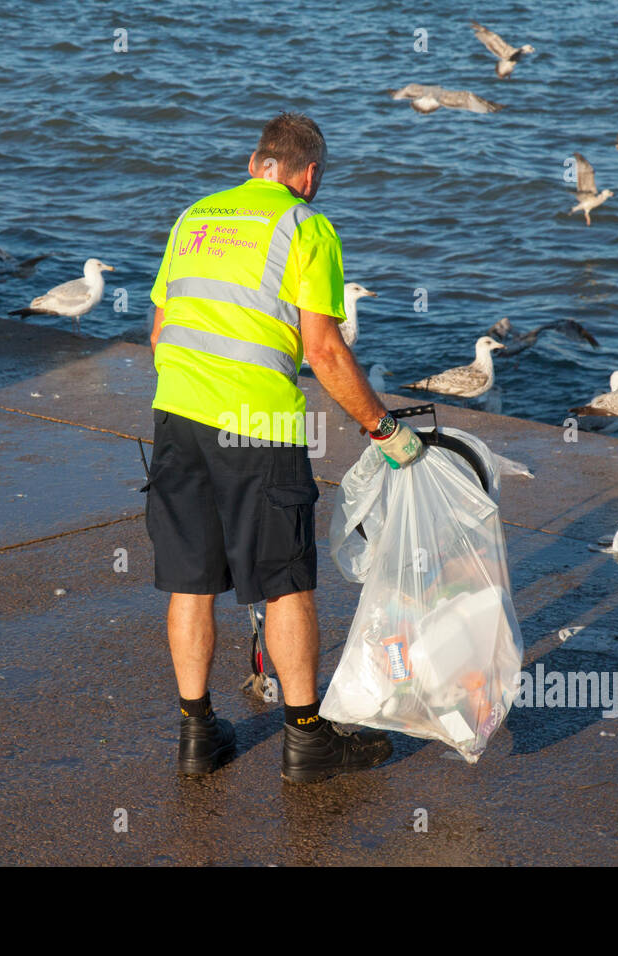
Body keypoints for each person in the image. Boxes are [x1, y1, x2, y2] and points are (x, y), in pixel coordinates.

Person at [147, 112, 423, 784]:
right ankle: (306, 741)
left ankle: (196, 734)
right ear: (310, 175)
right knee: (286, 583)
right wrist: (383, 429)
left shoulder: (193, 219)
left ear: (253, 163)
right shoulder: (307, 226)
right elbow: (324, 350)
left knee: (192, 581)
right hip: (257, 429)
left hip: (177, 418)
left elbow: (159, 332)